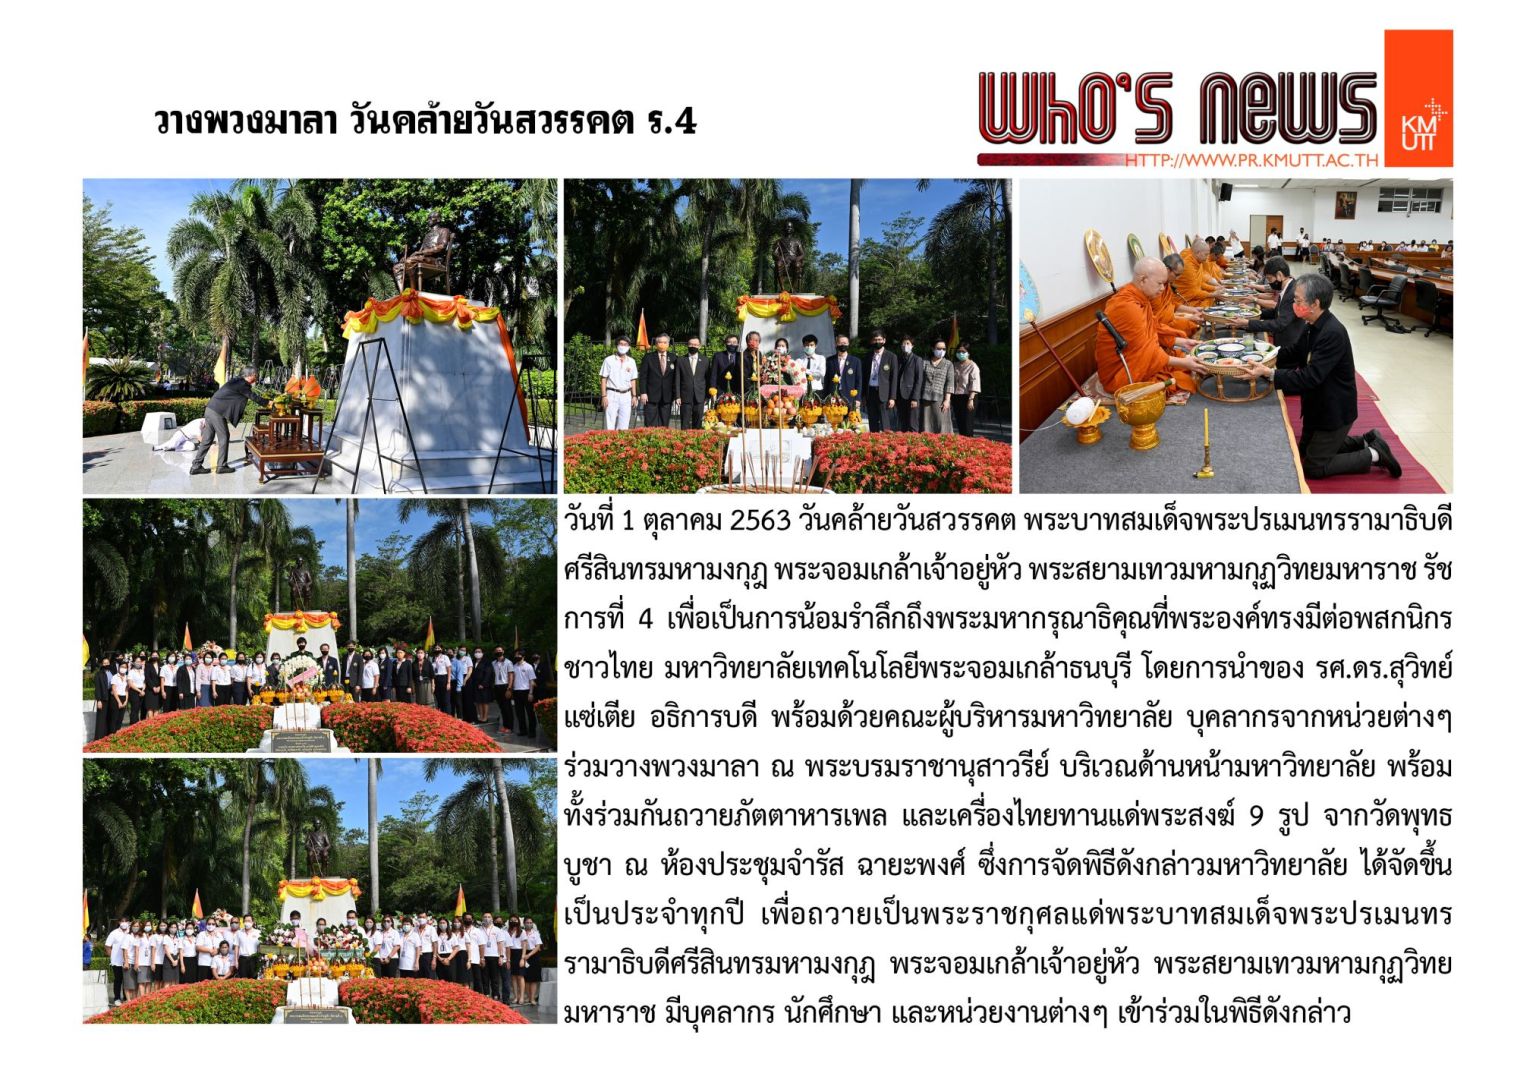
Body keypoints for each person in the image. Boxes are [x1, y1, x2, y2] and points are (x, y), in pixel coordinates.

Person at [1239, 273, 1402, 479]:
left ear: (1314, 303)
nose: (1294, 304)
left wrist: (1271, 374)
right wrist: (1264, 358)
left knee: (1314, 467)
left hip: (1334, 408)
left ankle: (1375, 454)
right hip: (1317, 404)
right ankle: (1364, 440)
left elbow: (1310, 377)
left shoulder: (1332, 332)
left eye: (1298, 300)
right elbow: (1294, 352)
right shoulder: (1312, 324)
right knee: (1305, 451)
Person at [1095, 257, 1208, 396]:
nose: (1162, 288)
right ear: (1143, 280)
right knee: (1177, 378)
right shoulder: (1127, 306)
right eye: (1160, 283)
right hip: (1120, 372)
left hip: (1139, 359)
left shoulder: (1141, 298)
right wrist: (1184, 363)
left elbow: (1154, 327)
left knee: (1178, 360)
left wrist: (1181, 341)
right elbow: (1147, 352)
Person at [189, 365, 271, 476]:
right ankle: (221, 466)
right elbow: (253, 396)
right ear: (252, 375)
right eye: (256, 375)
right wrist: (268, 403)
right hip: (217, 412)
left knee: (207, 439)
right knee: (224, 437)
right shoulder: (242, 384)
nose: (256, 378)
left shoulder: (236, 381)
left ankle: (196, 466)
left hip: (210, 409)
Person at [1228, 256, 1304, 349]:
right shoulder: (1287, 288)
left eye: (1270, 279)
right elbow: (1275, 311)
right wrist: (1252, 313)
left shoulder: (1293, 293)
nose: (1269, 283)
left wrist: (1248, 323)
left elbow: (1279, 324)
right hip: (1283, 340)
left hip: (1289, 345)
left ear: (1279, 275)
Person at [598, 336, 639, 430]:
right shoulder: (609, 360)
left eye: (625, 344)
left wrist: (634, 396)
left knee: (624, 424)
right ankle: (607, 443)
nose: (623, 346)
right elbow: (603, 378)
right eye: (621, 344)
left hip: (626, 395)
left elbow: (633, 380)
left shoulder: (632, 361)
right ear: (616, 345)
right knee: (609, 423)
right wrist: (604, 396)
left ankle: (621, 443)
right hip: (612, 394)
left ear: (629, 347)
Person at [639, 333, 678, 427]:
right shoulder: (648, 357)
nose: (662, 344)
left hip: (667, 396)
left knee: (664, 423)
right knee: (650, 422)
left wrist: (676, 395)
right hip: (650, 395)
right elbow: (643, 376)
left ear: (668, 344)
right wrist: (643, 392)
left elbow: (676, 378)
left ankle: (662, 440)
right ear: (656, 344)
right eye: (660, 342)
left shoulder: (674, 358)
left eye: (665, 342)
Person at [918, 340, 955, 433]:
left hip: (940, 400)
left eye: (944, 349)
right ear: (933, 349)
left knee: (941, 424)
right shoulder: (924, 362)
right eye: (939, 348)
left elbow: (950, 383)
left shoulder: (948, 364)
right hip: (925, 399)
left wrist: (947, 400)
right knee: (926, 425)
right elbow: (919, 380)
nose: (941, 350)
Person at [677, 334, 711, 429]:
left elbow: (708, 379)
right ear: (687, 345)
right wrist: (677, 396)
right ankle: (684, 442)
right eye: (691, 344)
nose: (693, 346)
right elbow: (677, 379)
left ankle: (697, 441)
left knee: (698, 422)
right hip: (685, 396)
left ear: (699, 346)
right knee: (685, 422)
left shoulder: (705, 360)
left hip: (700, 397)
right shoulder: (680, 360)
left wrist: (707, 396)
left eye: (695, 345)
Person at [950, 343, 981, 436]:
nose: (960, 353)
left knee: (968, 425)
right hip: (956, 397)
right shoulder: (954, 365)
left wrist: (971, 399)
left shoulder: (973, 366)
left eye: (963, 351)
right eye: (959, 351)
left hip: (968, 397)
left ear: (968, 353)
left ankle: (970, 446)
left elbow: (974, 383)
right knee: (960, 424)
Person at [865, 329, 892, 432]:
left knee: (885, 421)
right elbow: (865, 376)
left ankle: (886, 443)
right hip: (870, 391)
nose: (877, 342)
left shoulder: (891, 356)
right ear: (872, 341)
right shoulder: (868, 356)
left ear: (884, 340)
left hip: (884, 393)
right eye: (875, 340)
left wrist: (892, 397)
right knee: (872, 420)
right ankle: (874, 441)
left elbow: (893, 379)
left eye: (880, 339)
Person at [895, 336, 924, 431]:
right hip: (900, 396)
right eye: (903, 343)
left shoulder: (917, 359)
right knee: (902, 424)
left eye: (908, 343)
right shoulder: (898, 359)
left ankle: (914, 444)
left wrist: (915, 398)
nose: (905, 345)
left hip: (911, 395)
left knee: (913, 424)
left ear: (912, 346)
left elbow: (919, 380)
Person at [822, 334, 861, 402]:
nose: (842, 345)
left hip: (849, 396)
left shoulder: (855, 361)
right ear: (836, 344)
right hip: (833, 396)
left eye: (845, 343)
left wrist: (857, 398)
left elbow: (859, 381)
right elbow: (826, 379)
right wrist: (825, 397)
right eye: (840, 343)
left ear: (848, 344)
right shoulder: (830, 360)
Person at [508, 649, 536, 737]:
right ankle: (523, 730)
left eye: (518, 655)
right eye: (515, 655)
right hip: (516, 692)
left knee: (530, 713)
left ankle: (532, 732)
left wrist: (531, 693)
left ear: (523, 656)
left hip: (526, 692)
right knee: (519, 713)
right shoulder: (514, 666)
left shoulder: (529, 666)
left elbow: (532, 680)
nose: (516, 657)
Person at [710, 333, 742, 400]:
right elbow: (713, 374)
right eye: (729, 342)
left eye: (734, 342)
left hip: (738, 391)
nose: (732, 344)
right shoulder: (718, 356)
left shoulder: (741, 356)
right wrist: (713, 390)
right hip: (721, 391)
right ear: (725, 343)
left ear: (738, 344)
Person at [519, 917, 543, 1006]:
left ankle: (532, 998)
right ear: (524, 923)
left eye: (530, 922)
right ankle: (528, 997)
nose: (529, 924)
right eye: (527, 922)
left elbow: (538, 946)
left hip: (533, 956)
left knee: (534, 979)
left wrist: (528, 955)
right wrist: (524, 956)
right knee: (526, 979)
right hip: (523, 954)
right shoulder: (521, 932)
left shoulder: (536, 933)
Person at [106, 917, 130, 1004]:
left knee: (127, 980)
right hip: (117, 962)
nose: (124, 923)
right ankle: (117, 998)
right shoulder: (114, 933)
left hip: (128, 961)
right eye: (122, 921)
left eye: (126, 921)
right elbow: (108, 946)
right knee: (118, 980)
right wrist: (112, 956)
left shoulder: (130, 932)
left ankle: (126, 998)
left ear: (128, 922)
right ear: (119, 922)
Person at [491, 646, 514, 731]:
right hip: (497, 686)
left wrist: (509, 688)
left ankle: (510, 727)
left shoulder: (508, 662)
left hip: (505, 686)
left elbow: (511, 676)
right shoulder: (493, 663)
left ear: (503, 651)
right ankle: (505, 725)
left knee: (507, 707)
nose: (498, 652)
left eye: (500, 650)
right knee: (501, 707)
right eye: (497, 651)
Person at [470, 647, 495, 725]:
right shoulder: (472, 661)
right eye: (476, 651)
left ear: (482, 653)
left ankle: (485, 717)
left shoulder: (487, 662)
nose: (477, 653)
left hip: (484, 685)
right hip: (475, 684)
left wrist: (483, 683)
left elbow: (488, 674)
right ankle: (480, 717)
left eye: (479, 651)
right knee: (478, 702)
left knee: (484, 702)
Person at [92, 657, 114, 740]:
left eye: (107, 663)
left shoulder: (111, 672)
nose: (106, 664)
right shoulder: (99, 674)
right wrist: (99, 700)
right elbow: (97, 688)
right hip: (103, 698)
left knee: (109, 717)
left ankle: (107, 736)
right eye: (104, 663)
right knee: (101, 719)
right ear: (102, 664)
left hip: (111, 698)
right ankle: (99, 738)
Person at [480, 912, 500, 998]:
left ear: (492, 919)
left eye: (488, 917)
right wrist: (481, 957)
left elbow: (500, 944)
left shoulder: (497, 930)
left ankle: (495, 994)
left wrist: (501, 956)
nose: (487, 918)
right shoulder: (479, 930)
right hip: (483, 956)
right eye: (485, 917)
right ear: (482, 918)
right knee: (484, 977)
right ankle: (486, 993)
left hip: (494, 956)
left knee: (494, 977)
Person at [465, 914, 486, 994]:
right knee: (466, 980)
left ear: (472, 920)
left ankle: (480, 997)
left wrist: (482, 958)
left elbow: (481, 946)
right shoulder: (461, 930)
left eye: (469, 918)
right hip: (464, 959)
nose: (468, 920)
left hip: (475, 959)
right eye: (466, 918)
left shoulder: (477, 931)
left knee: (477, 979)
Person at [110, 661, 130, 730]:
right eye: (122, 667)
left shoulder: (127, 678)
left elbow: (126, 690)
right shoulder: (115, 677)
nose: (123, 668)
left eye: (125, 667)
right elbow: (114, 690)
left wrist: (126, 701)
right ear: (119, 667)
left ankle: (118, 734)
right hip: (116, 699)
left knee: (120, 719)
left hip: (124, 698)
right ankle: (112, 735)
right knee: (114, 718)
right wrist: (119, 702)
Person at [126, 656, 146, 725]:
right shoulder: (131, 672)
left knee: (142, 709)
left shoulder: (142, 671)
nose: (138, 663)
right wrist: (139, 691)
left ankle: (140, 724)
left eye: (140, 662)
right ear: (134, 663)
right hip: (134, 691)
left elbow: (144, 682)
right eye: (137, 661)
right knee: (135, 709)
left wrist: (143, 690)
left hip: (142, 690)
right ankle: (133, 725)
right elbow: (130, 683)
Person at [451, 647, 469, 719]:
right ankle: (452, 717)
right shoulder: (449, 661)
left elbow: (460, 675)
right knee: (451, 702)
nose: (452, 654)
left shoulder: (457, 662)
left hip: (456, 683)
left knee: (458, 702)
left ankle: (460, 718)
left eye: (453, 652)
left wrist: (459, 686)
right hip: (450, 683)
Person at [432, 647, 451, 713]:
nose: (437, 649)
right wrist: (433, 683)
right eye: (435, 648)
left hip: (444, 678)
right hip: (436, 678)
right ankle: (442, 717)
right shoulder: (433, 658)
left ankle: (448, 717)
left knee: (446, 700)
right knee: (438, 700)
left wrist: (448, 682)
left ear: (441, 649)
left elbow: (449, 669)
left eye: (438, 648)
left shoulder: (445, 657)